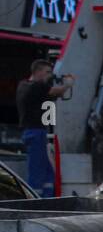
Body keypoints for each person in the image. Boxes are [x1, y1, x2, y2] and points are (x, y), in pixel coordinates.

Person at [15, 59, 74, 197]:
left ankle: (48, 199)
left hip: (33, 132)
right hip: (36, 133)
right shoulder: (37, 86)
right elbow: (55, 92)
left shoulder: (23, 86)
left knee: (48, 173)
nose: (50, 76)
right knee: (37, 173)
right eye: (47, 72)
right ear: (38, 72)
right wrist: (67, 85)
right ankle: (36, 203)